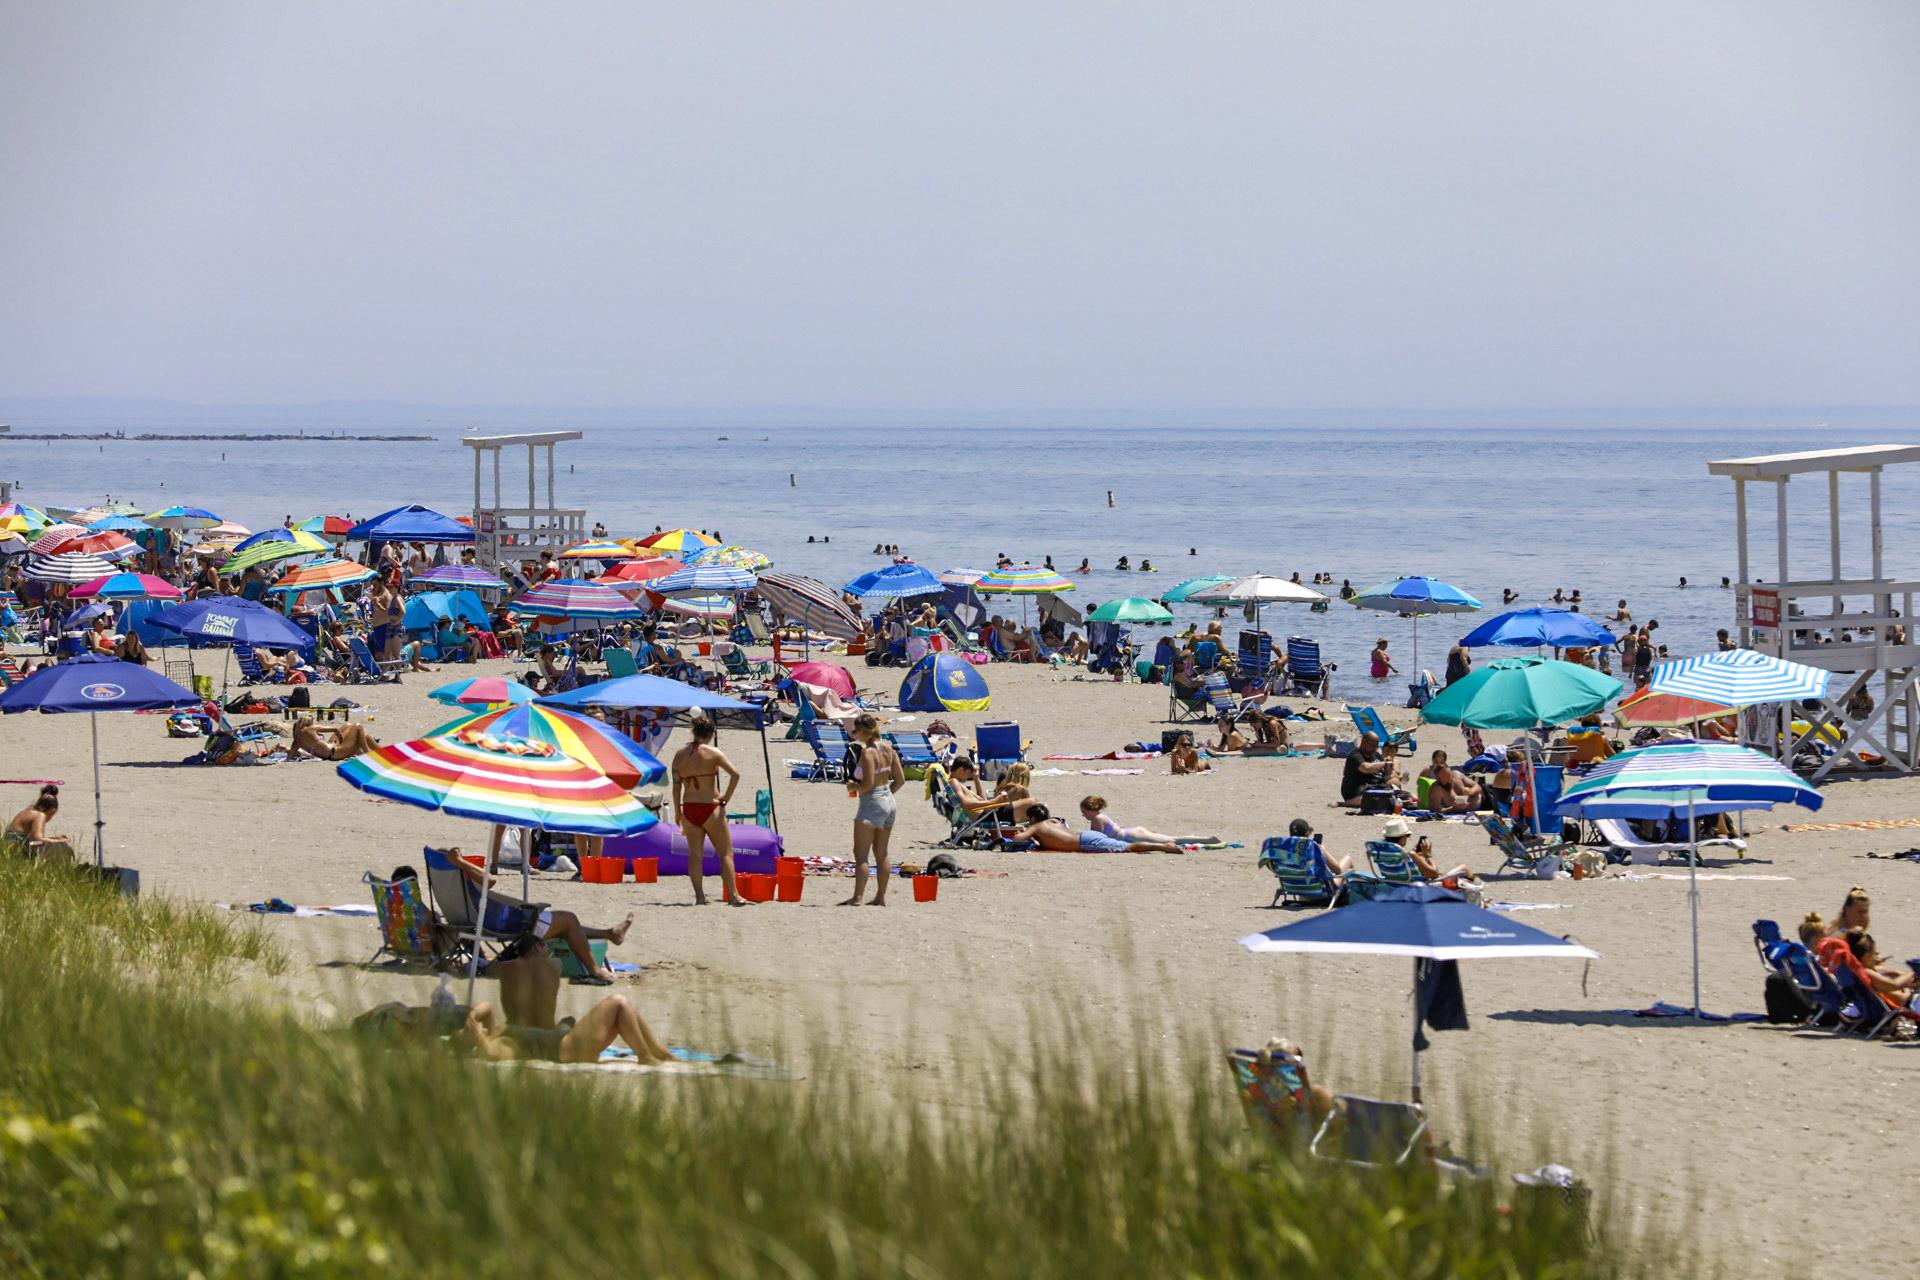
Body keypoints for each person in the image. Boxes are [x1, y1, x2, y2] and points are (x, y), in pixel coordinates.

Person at [672, 716, 744, 906]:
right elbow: (735, 774)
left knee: (695, 856)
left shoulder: (679, 755)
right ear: (711, 734)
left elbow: (676, 787)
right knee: (725, 853)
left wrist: (678, 812)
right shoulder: (713, 753)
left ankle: (700, 897)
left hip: (689, 808)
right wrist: (726, 797)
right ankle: (733, 896)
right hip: (710, 807)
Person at [842, 712, 905, 906]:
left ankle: (858, 897)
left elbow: (867, 784)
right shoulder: (888, 748)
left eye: (856, 731)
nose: (854, 735)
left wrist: (853, 787)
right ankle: (880, 897)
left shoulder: (868, 752)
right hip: (888, 801)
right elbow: (900, 780)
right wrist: (885, 797)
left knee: (861, 854)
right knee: (882, 852)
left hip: (872, 802)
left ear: (863, 731)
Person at [1011, 814, 1184, 854]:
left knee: (1128, 847)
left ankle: (1163, 847)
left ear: (1032, 819)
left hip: (1085, 843)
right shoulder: (1053, 822)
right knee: (1125, 846)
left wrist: (1023, 832)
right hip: (1086, 835)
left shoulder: (1036, 827)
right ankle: (1162, 846)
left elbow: (1017, 839)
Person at [1380, 816, 1478, 883]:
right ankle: (1478, 897)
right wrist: (1428, 855)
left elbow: (1404, 871)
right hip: (1420, 888)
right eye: (1407, 835)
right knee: (1464, 869)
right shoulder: (1410, 855)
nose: (1407, 838)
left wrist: (1416, 857)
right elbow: (1434, 875)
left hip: (1396, 884)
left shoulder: (1382, 852)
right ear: (1402, 838)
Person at [1080, 795, 1181, 846]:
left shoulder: (1098, 819)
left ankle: (1192, 838)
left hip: (1132, 835)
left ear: (1092, 810)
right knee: (1169, 840)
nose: (1083, 815)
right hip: (1132, 834)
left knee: (1172, 840)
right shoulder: (1097, 818)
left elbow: (1098, 839)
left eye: (1084, 812)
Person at [7, 788, 72, 860]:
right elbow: (38, 839)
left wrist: (54, 838)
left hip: (9, 846)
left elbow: (31, 839)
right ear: (52, 811)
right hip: (20, 849)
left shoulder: (25, 812)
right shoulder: (40, 815)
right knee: (64, 846)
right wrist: (60, 842)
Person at [287, 717, 380, 761]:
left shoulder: (297, 741)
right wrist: (340, 737)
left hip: (329, 754)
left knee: (350, 727)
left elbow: (289, 757)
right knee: (358, 726)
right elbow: (334, 729)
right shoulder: (311, 728)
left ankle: (381, 753)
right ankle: (368, 754)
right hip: (335, 753)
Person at [1339, 732, 1388, 807]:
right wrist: (1385, 763)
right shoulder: (1355, 755)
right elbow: (1366, 768)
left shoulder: (1376, 755)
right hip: (1357, 790)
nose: (1375, 748)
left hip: (1377, 786)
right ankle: (1342, 804)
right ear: (1363, 741)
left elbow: (1385, 773)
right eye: (1372, 745)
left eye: (1376, 746)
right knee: (1369, 799)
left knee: (1400, 796)